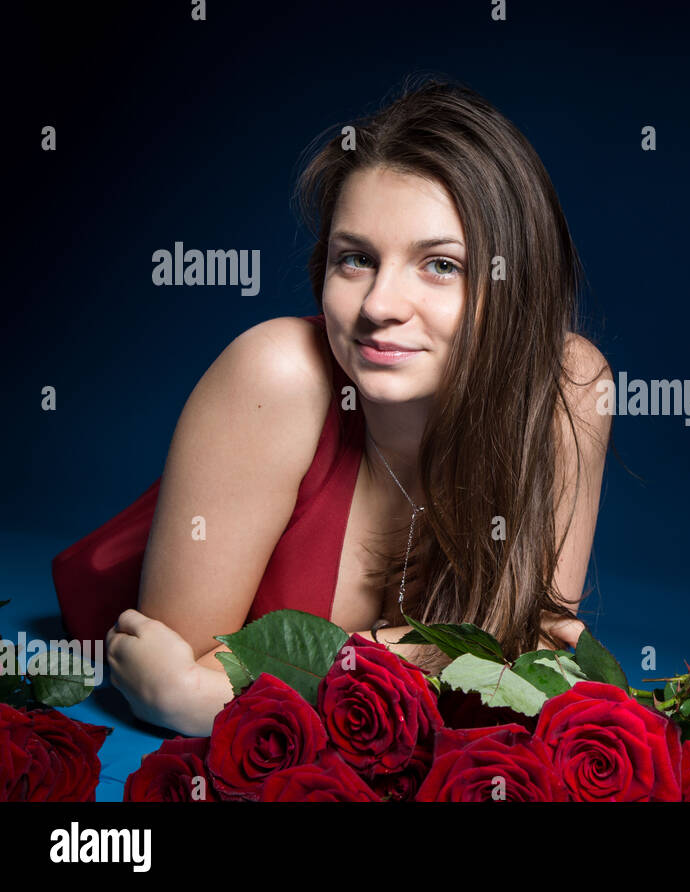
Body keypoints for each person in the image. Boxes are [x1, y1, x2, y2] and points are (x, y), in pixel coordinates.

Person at [101, 77, 612, 737]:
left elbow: (531, 660)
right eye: (356, 260)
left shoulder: (568, 385)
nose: (378, 307)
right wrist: (435, 652)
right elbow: (163, 664)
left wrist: (211, 696)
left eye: (441, 266)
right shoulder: (275, 375)